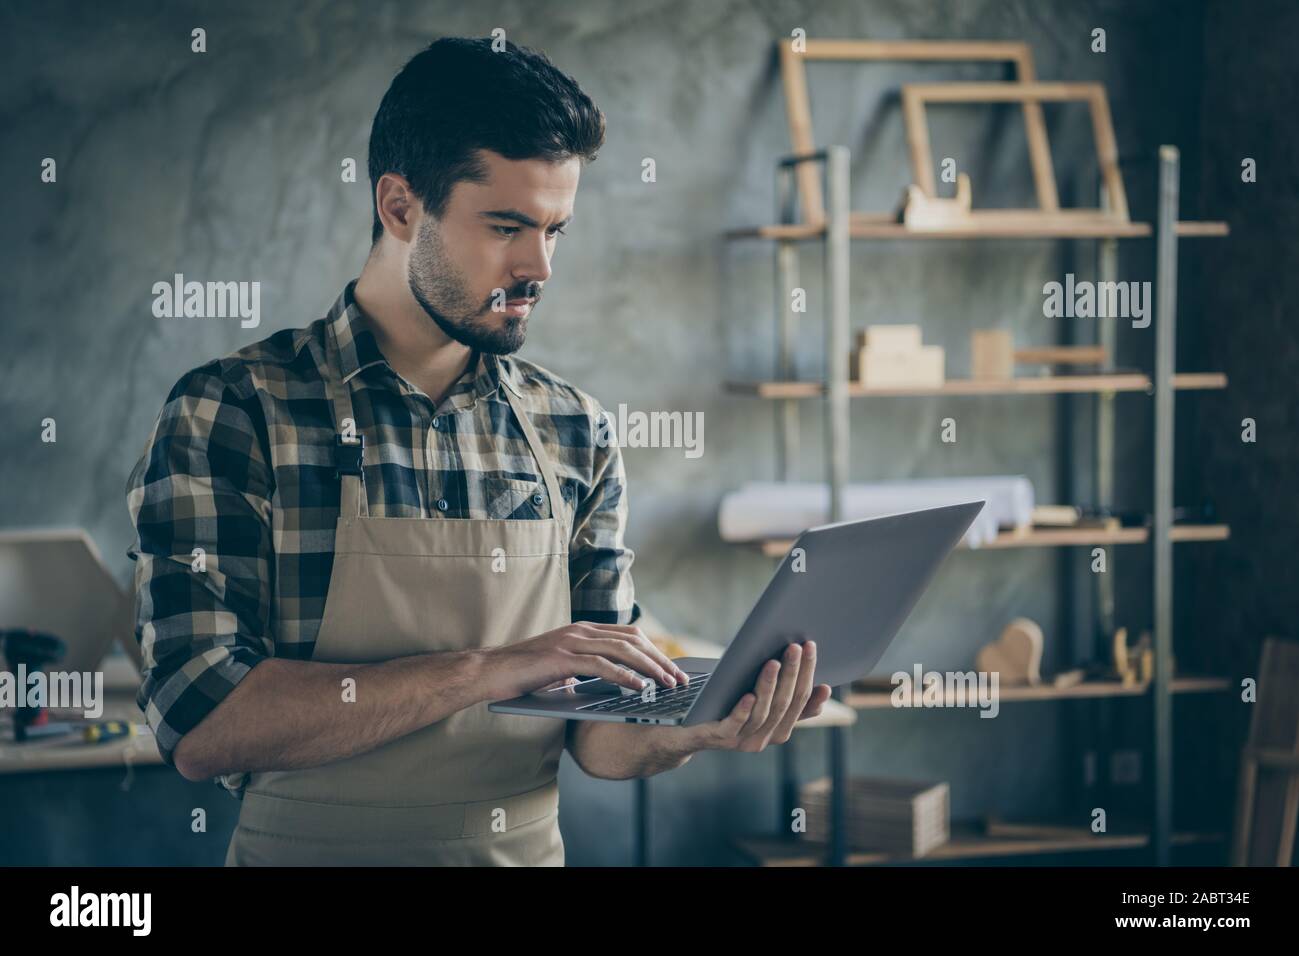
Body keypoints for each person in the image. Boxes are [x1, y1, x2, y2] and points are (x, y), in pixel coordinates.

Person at [125, 35, 831, 866]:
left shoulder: (574, 431)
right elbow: (204, 725)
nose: (538, 265)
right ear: (399, 207)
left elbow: (597, 738)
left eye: (556, 230)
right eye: (506, 226)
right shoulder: (233, 411)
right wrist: (490, 670)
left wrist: (695, 728)